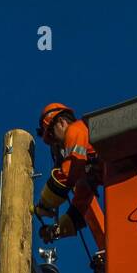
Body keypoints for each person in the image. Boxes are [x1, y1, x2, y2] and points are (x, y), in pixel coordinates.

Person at [34, 102, 99, 240]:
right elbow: (81, 200)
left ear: (62, 122)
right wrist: (57, 231)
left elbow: (67, 173)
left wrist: (44, 204)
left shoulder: (75, 129)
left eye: (52, 134)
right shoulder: (86, 165)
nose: (55, 143)